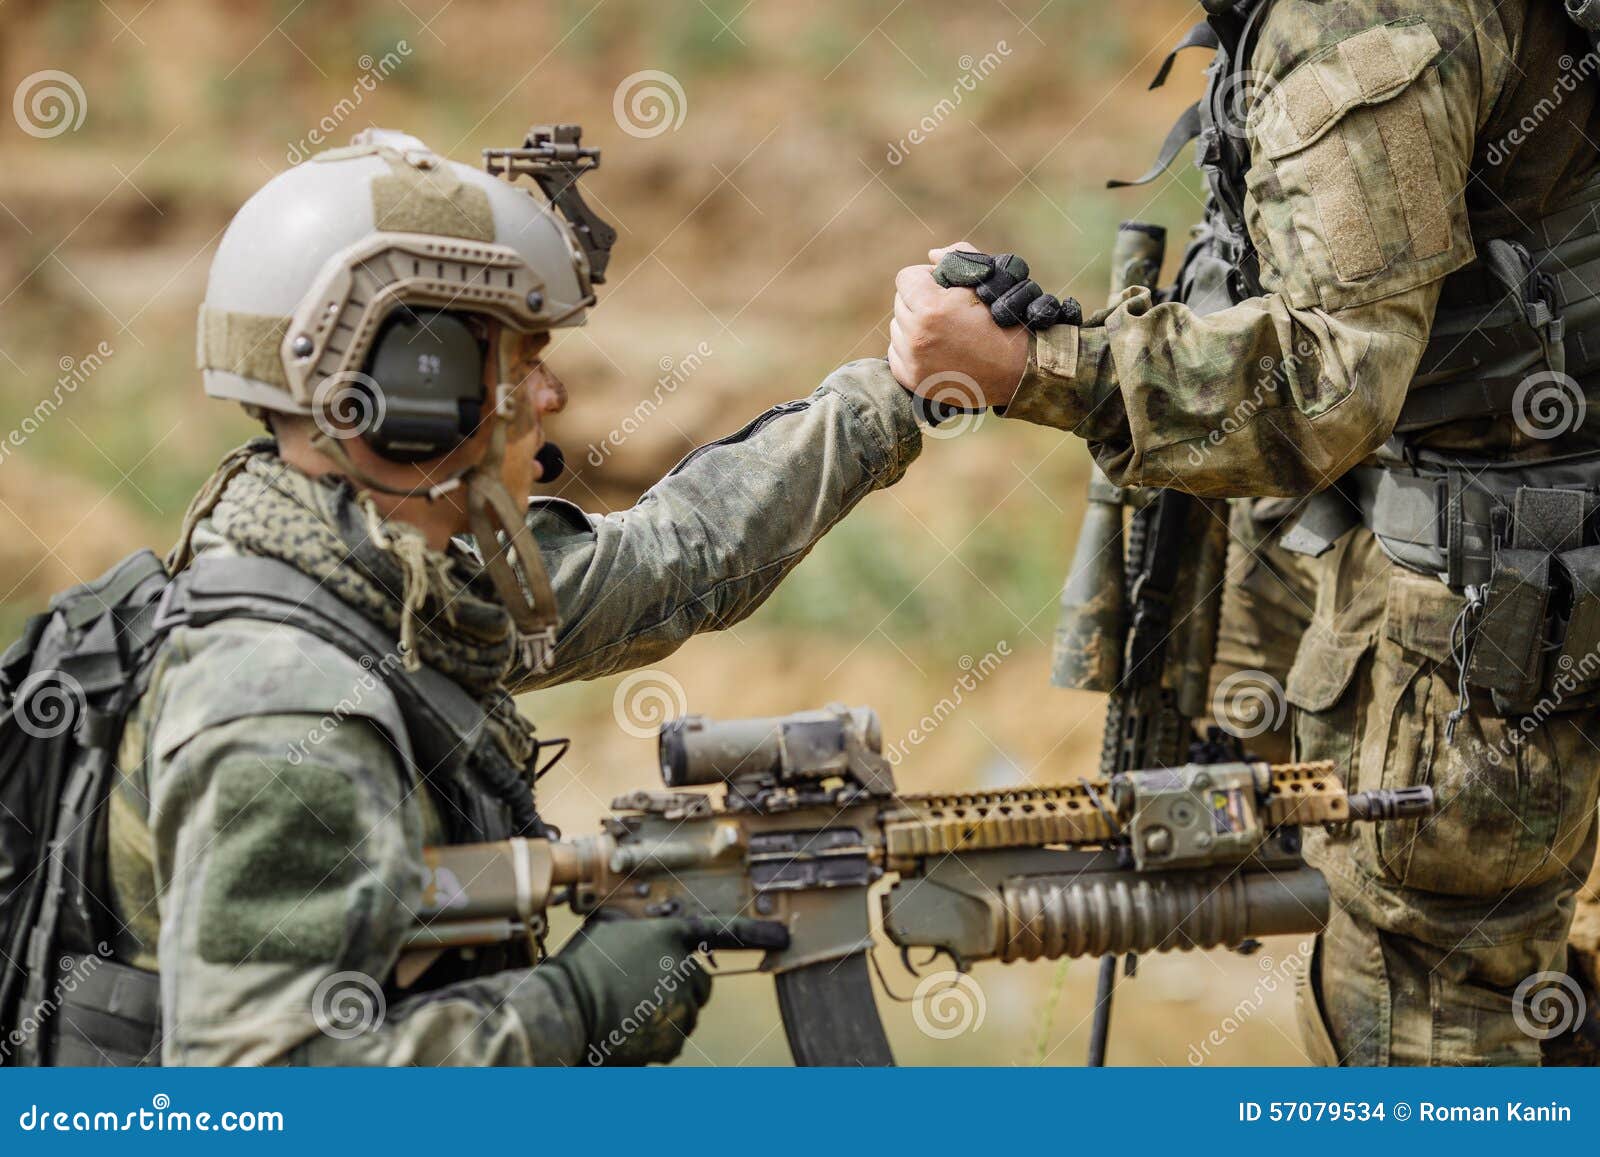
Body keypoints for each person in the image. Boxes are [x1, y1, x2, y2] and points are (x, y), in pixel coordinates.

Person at [31, 125, 923, 1065]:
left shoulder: (387, 584)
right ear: (419, 384)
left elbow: (679, 556)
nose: (553, 395)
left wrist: (909, 391)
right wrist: (575, 1008)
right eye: (524, 358)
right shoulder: (281, 702)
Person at [890, 0, 1600, 1064]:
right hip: (1481, 545)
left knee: (1422, 1023)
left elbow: (1330, 379)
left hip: (1502, 598)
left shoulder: (1355, 24)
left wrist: (1037, 369)